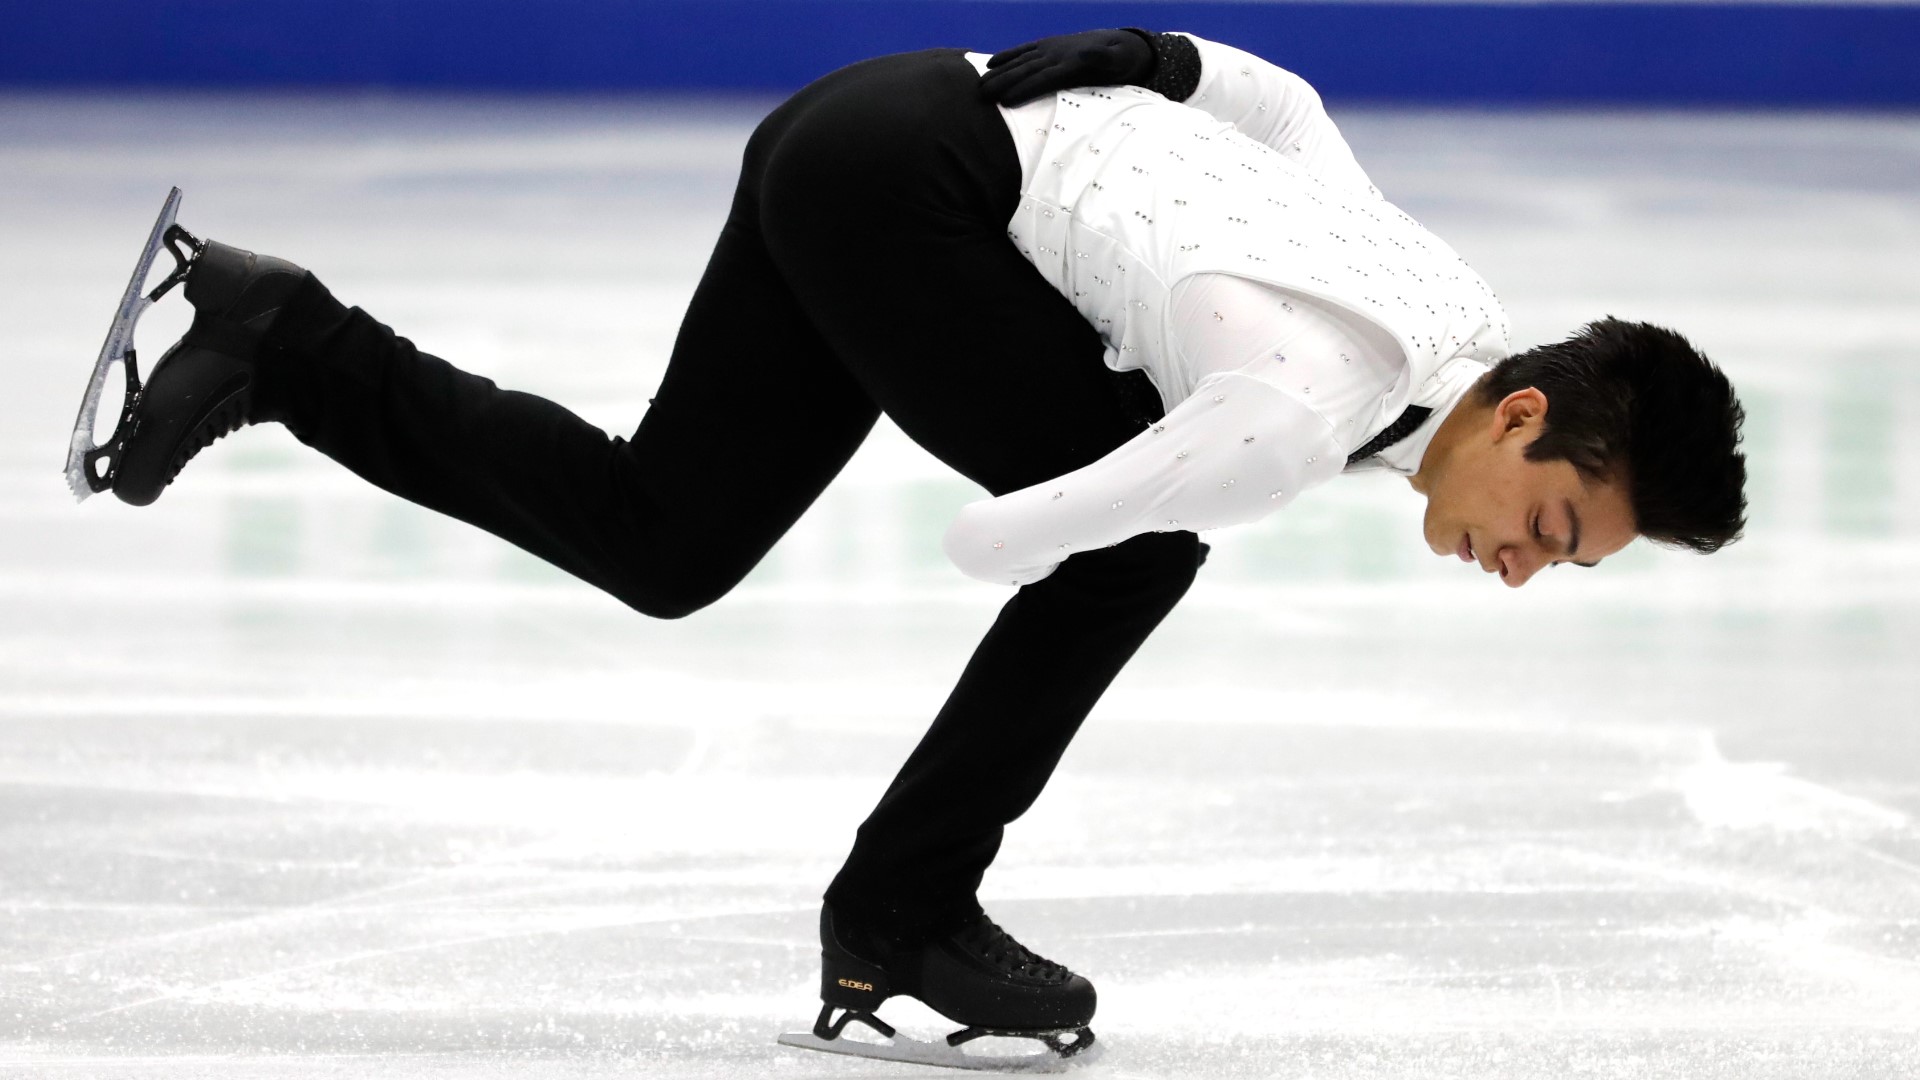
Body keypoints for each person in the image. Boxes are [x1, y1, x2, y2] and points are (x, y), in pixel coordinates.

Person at [69, 28, 1747, 1066]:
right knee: (1138, 550)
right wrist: (1102, 500)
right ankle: (905, 909)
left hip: (873, 126)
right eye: (1552, 529)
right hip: (901, 192)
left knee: (668, 539)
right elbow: (1004, 539)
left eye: (1562, 566)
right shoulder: (1310, 404)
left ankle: (282, 339)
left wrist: (1130, 55)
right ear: (1522, 424)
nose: (1522, 567)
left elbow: (1282, 104)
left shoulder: (1445, 299)